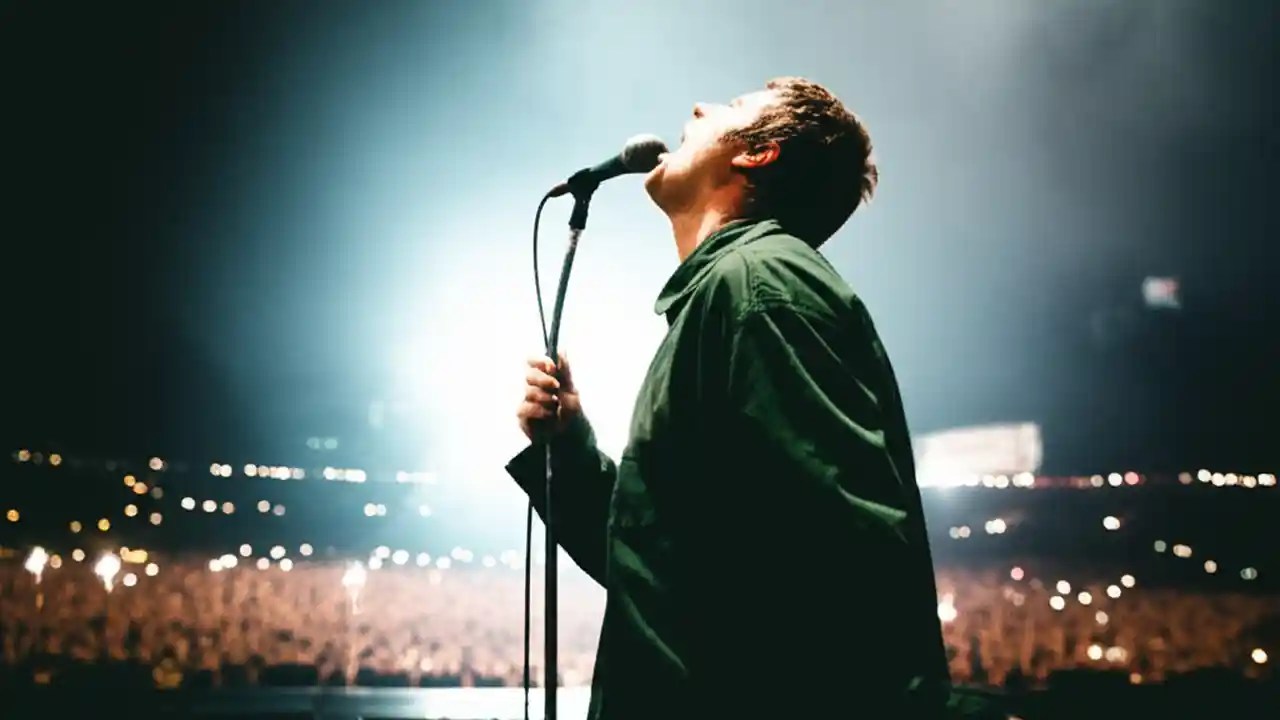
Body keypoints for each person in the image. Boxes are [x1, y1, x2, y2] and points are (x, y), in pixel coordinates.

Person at [508, 77, 971, 718]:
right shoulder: (727, 297)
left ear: (758, 153)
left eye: (731, 107)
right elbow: (661, 571)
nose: (699, 106)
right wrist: (569, 451)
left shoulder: (760, 287)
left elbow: (847, 562)